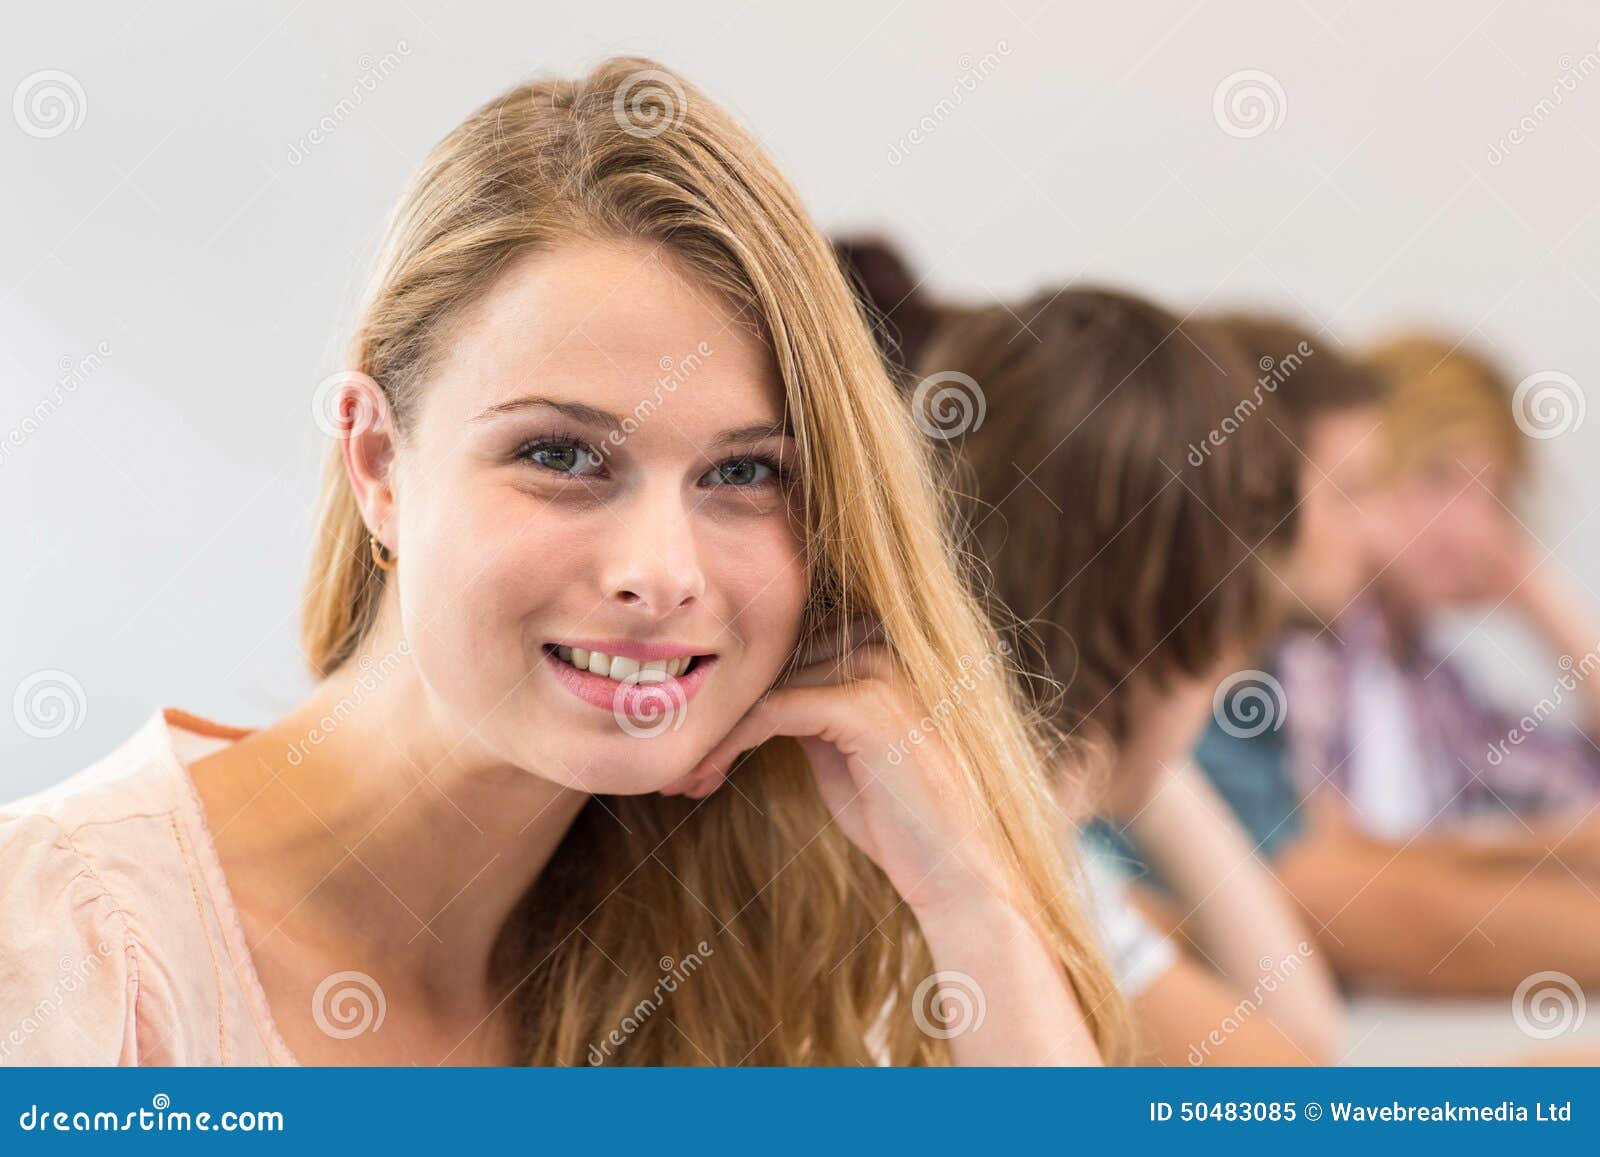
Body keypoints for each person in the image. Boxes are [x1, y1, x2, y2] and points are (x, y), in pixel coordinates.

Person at [0, 59, 1127, 1066]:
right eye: (559, 455)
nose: (660, 573)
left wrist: (970, 896)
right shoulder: (64, 940)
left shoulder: (752, 945)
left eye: (743, 472)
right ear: (378, 460)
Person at [913, 287, 1343, 1063]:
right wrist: (1142, 714)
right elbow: (1291, 1072)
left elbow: (1293, 1046)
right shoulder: (983, 849)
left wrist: (1129, 734)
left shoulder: (1012, 828)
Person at [1196, 319, 1600, 994]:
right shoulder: (1294, 655)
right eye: (1438, 479)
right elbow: (1331, 885)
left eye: (1494, 496)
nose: (1472, 527)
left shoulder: (1429, 680)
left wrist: (1538, 595)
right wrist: (1549, 850)